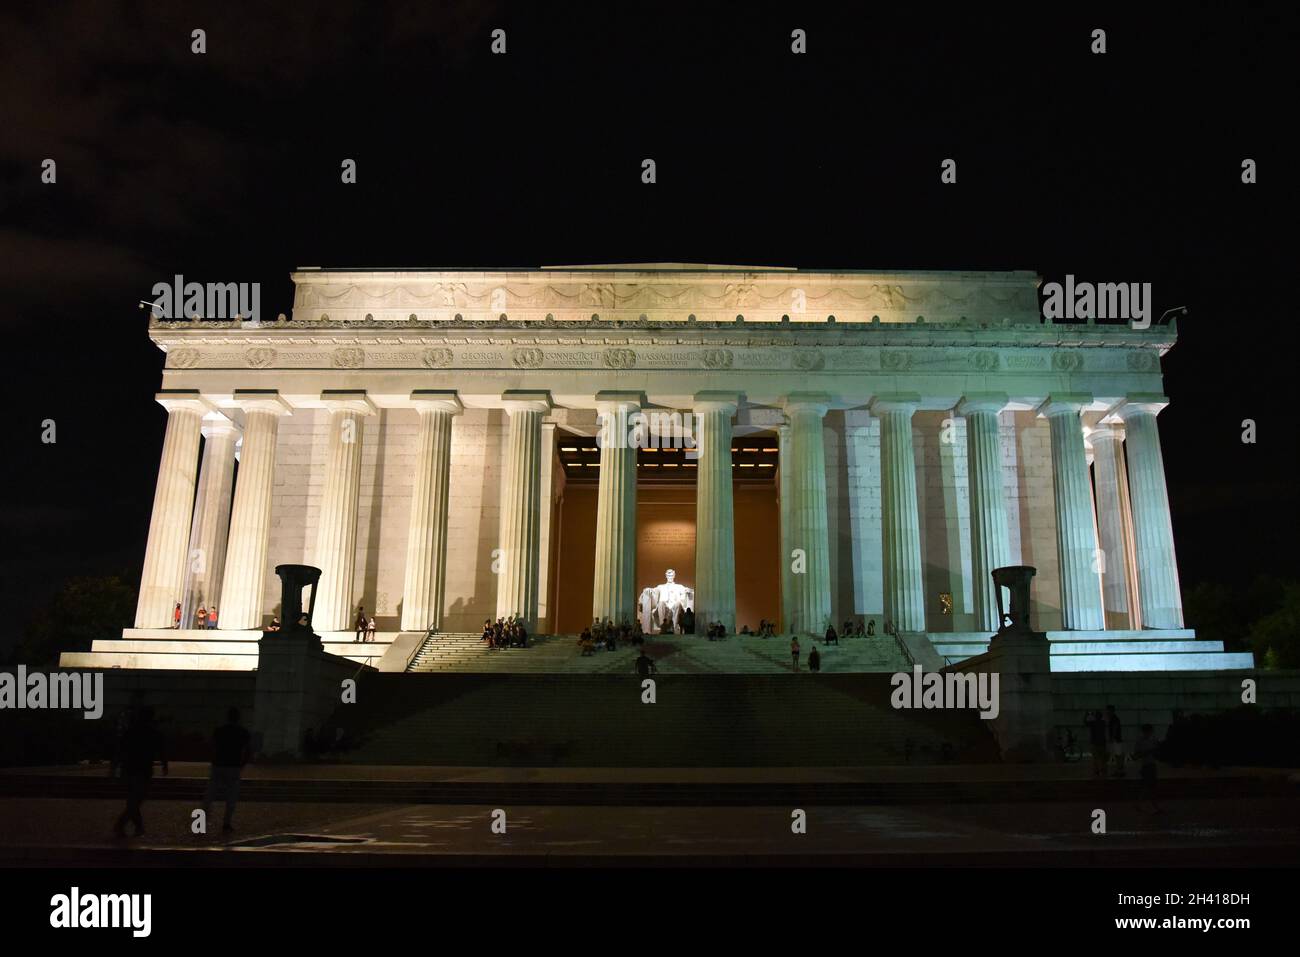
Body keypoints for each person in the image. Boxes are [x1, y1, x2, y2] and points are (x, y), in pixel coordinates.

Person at [113, 706, 168, 838]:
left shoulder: (130, 731)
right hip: (143, 771)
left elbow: (120, 750)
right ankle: (123, 825)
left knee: (133, 800)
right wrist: (164, 765)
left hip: (128, 769)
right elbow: (161, 750)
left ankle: (137, 827)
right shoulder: (153, 733)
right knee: (136, 800)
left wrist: (114, 767)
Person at [204, 707, 252, 833]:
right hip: (233, 766)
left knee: (209, 795)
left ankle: (200, 823)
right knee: (231, 796)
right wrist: (242, 764)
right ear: (238, 718)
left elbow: (211, 746)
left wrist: (213, 759)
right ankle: (226, 823)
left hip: (218, 765)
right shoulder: (243, 732)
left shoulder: (219, 730)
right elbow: (248, 750)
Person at [1132, 724, 1162, 814]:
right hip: (1149, 765)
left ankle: (1143, 804)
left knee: (1147, 786)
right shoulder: (1150, 740)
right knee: (1150, 786)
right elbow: (1137, 755)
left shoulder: (1143, 741)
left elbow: (1136, 755)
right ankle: (1153, 805)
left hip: (1148, 765)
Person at [1084, 709, 1108, 777]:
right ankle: (1103, 770)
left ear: (1095, 716)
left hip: (1094, 743)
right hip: (1102, 743)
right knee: (1103, 758)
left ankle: (1096, 771)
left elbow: (1085, 722)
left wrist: (1087, 715)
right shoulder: (1103, 723)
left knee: (1095, 758)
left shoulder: (1093, 723)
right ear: (1101, 716)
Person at [1106, 705, 1125, 777]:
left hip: (1116, 740)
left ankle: (1119, 771)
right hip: (1117, 739)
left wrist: (1112, 738)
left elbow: (1115, 728)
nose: (1107, 712)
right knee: (1118, 755)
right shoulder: (1114, 718)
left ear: (1111, 711)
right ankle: (1119, 770)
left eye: (1108, 710)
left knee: (1118, 755)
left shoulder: (1114, 718)